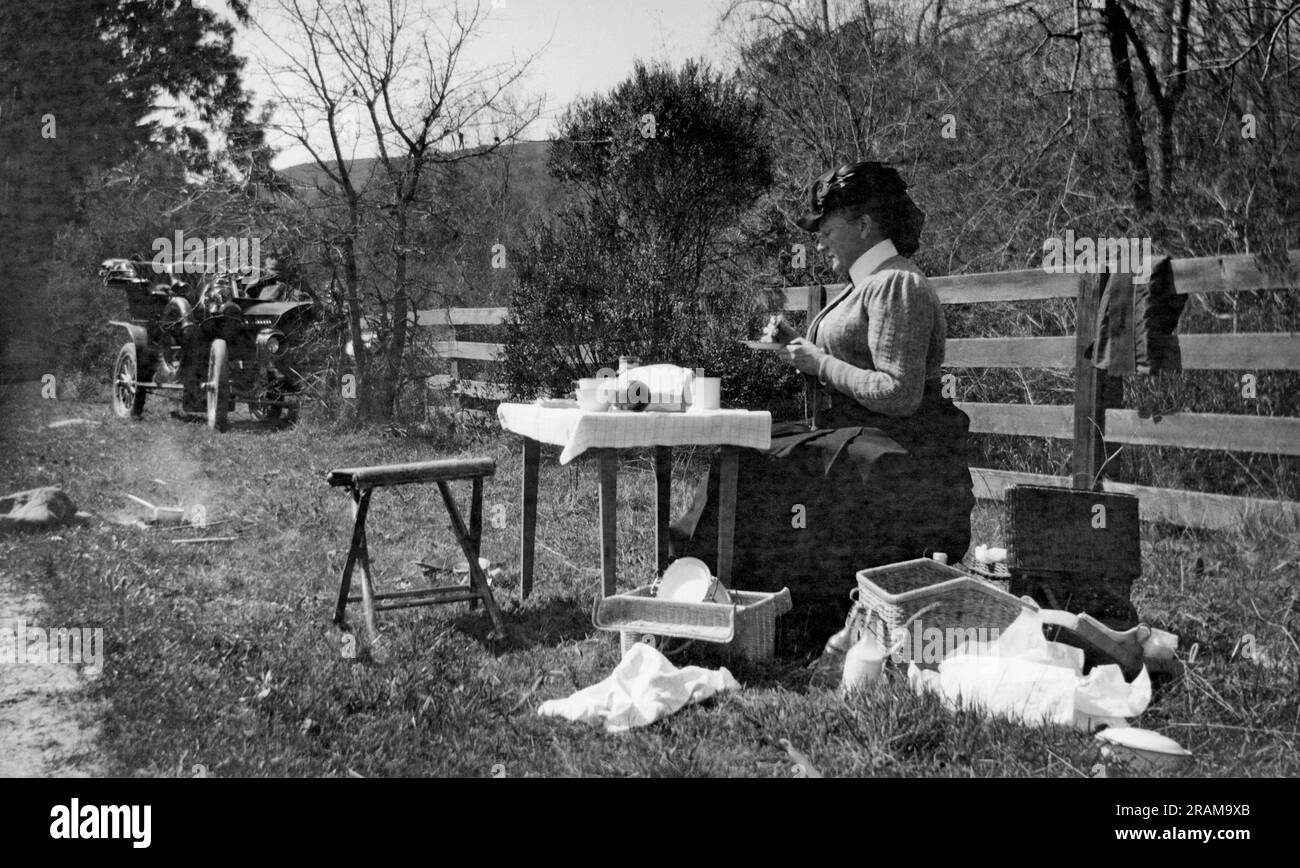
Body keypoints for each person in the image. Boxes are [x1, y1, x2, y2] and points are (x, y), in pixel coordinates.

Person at [669, 161, 975, 642]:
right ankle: (704, 584)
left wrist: (817, 363)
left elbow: (898, 392)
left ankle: (759, 602)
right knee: (742, 448)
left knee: (767, 465)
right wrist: (802, 347)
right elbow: (846, 360)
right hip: (857, 431)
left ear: (864, 225)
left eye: (827, 229)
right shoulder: (865, 283)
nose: (820, 241)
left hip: (899, 441)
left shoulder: (899, 284)